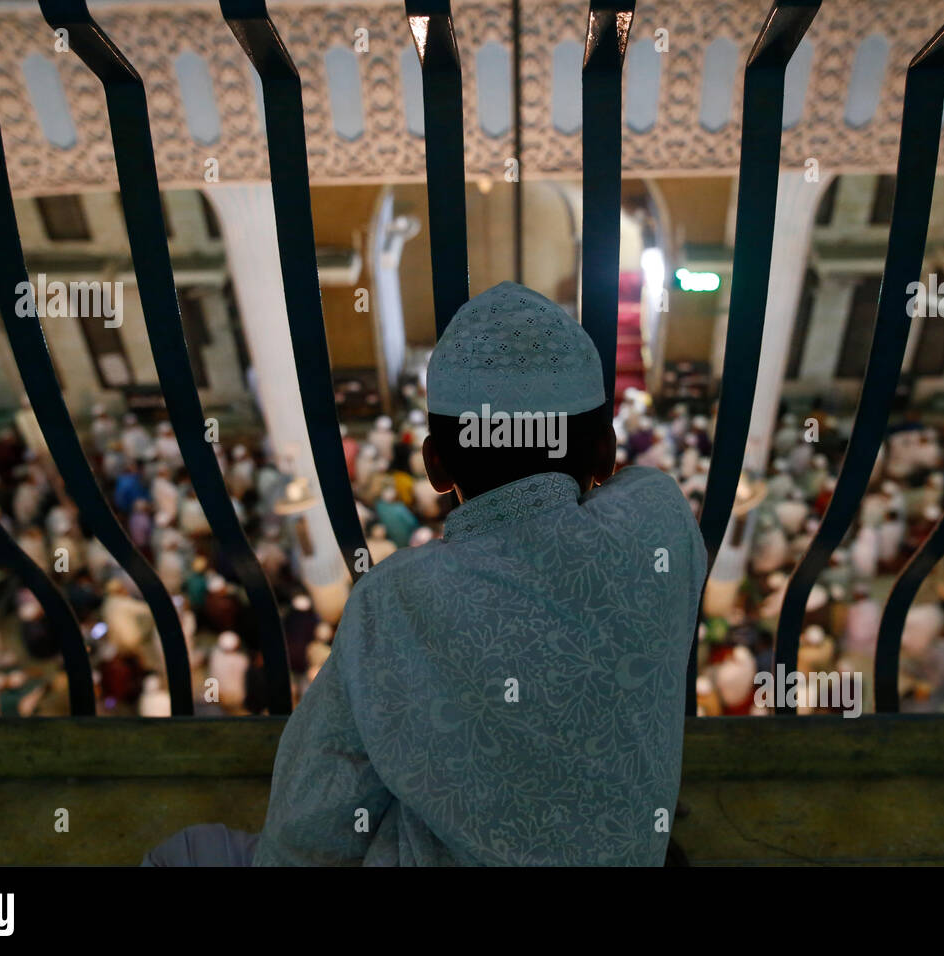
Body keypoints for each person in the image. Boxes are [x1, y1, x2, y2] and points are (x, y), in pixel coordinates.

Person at [250, 279, 706, 866]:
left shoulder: (394, 599)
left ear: (435, 466)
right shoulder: (657, 522)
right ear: (606, 453)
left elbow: (312, 819)